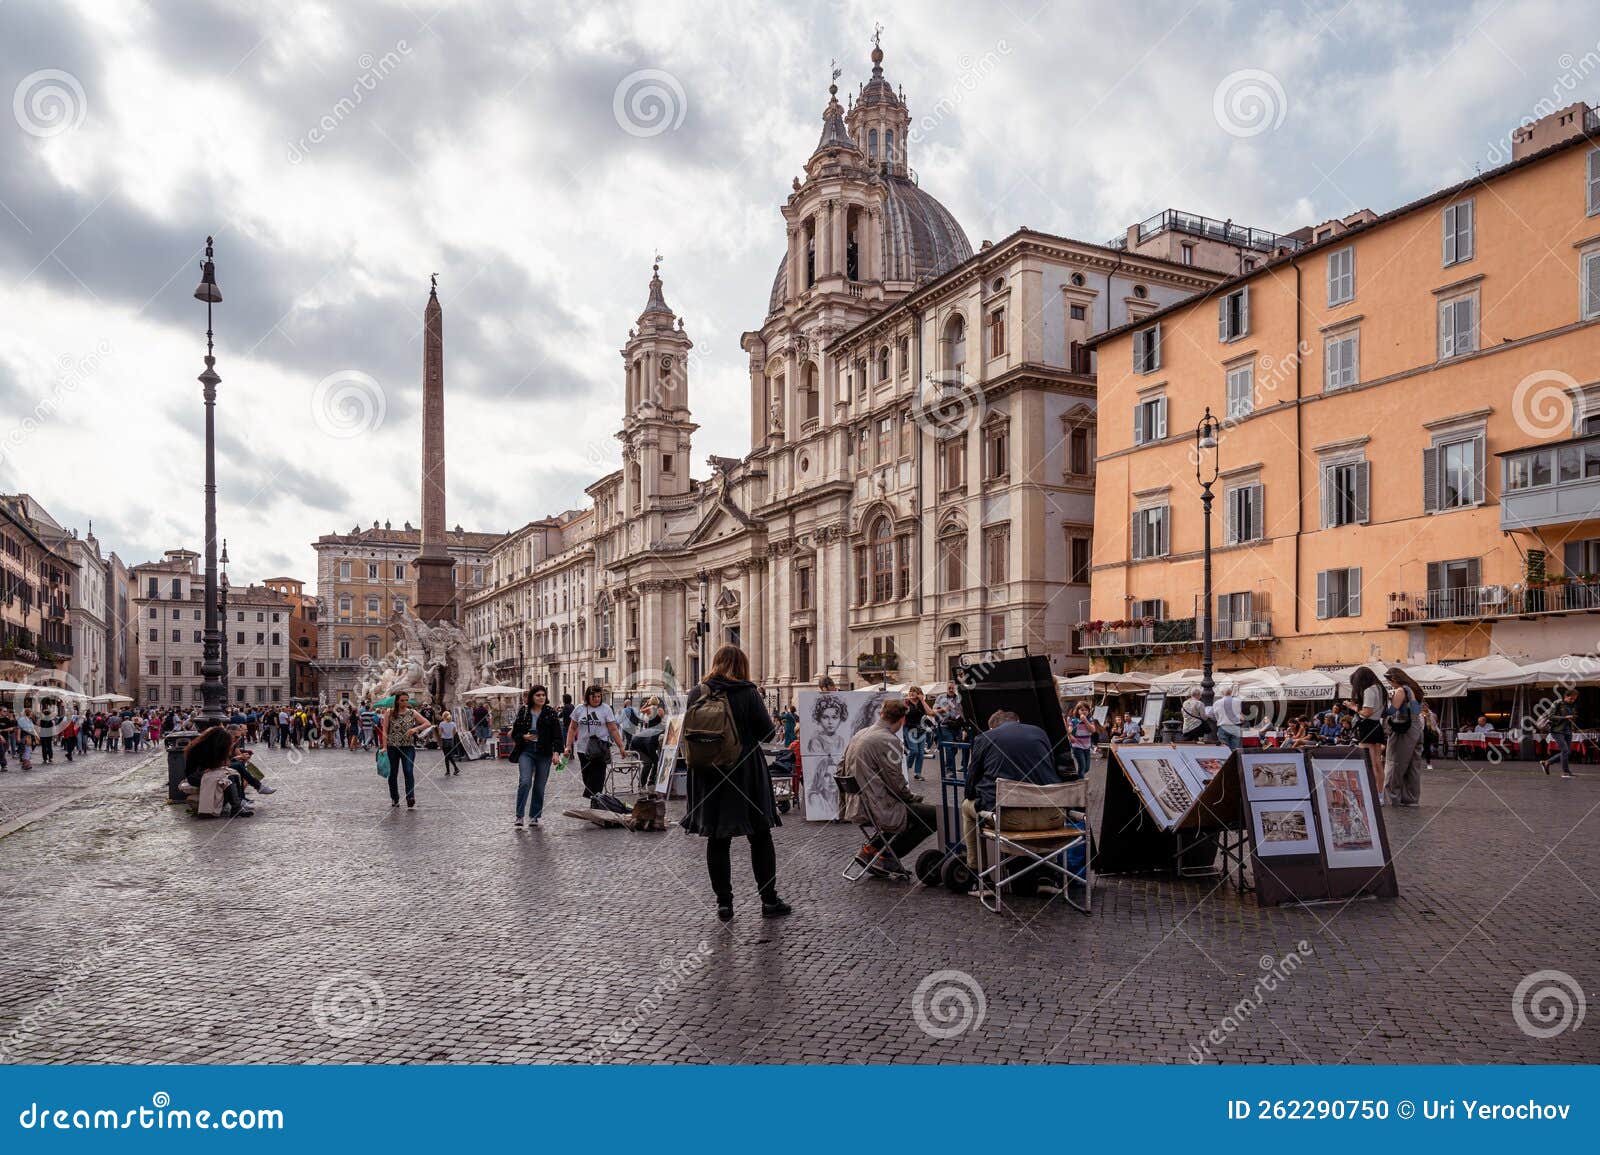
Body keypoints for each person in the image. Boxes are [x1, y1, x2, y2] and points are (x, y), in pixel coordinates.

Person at [682, 645, 789, 922]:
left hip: (708, 775)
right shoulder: (747, 692)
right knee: (760, 835)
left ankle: (724, 904)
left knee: (718, 839)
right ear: (741, 666)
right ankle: (768, 900)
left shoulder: (697, 692)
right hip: (744, 772)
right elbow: (767, 732)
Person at [842, 698, 936, 873]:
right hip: (877, 806)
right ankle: (886, 857)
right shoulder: (887, 740)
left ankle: (870, 850)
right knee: (935, 815)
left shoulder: (860, 734)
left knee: (916, 812)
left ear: (881, 714)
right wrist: (912, 798)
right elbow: (897, 785)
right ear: (902, 720)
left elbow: (841, 767)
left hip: (858, 802)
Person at [961, 710, 1062, 871]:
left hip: (1009, 820)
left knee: (967, 806)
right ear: (1018, 721)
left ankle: (977, 874)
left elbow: (970, 788)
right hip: (1052, 818)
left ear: (992, 728)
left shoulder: (984, 738)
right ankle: (1048, 876)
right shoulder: (1040, 733)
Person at [564, 685, 626, 807]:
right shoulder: (579, 709)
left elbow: (613, 729)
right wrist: (568, 746)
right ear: (587, 697)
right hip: (583, 749)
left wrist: (621, 746)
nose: (597, 699)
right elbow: (572, 728)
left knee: (597, 776)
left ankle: (596, 802)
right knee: (586, 777)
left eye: (599, 696)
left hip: (600, 749)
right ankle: (595, 797)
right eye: (594, 696)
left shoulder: (606, 709)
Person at [511, 686, 564, 826]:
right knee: (525, 781)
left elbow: (557, 735)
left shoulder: (550, 713)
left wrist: (557, 753)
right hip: (526, 751)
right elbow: (514, 733)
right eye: (538, 695)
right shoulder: (524, 711)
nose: (541, 697)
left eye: (543, 695)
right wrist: (523, 736)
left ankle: (534, 815)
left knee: (540, 786)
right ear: (532, 697)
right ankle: (519, 816)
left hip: (544, 752)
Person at [184, 726, 251, 818]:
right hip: (196, 775)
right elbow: (211, 767)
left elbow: (219, 765)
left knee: (233, 775)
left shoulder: (211, 747)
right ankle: (236, 808)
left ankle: (237, 807)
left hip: (209, 772)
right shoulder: (200, 748)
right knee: (228, 777)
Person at [379, 690, 432, 809]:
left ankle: (410, 797)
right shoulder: (389, 713)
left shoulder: (412, 712)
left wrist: (415, 729)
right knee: (393, 773)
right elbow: (385, 730)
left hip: (408, 746)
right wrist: (384, 747)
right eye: (402, 700)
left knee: (408, 771)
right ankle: (395, 797)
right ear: (397, 701)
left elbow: (427, 723)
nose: (405, 702)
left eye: (406, 700)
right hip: (393, 747)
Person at [1382, 667, 1425, 807]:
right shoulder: (1415, 689)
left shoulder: (1401, 690)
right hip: (1416, 728)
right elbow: (1417, 710)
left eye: (1390, 682)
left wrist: (1385, 705)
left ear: (1394, 679)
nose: (1390, 685)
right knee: (1413, 766)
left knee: (1395, 763)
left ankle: (1392, 798)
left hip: (1403, 730)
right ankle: (1411, 799)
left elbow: (1392, 710)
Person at [1347, 667, 1388, 790]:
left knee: (1369, 763)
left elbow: (1367, 712)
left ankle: (1372, 792)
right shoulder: (1380, 689)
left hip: (1367, 726)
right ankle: (1380, 793)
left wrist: (1352, 706)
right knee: (1377, 762)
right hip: (1376, 725)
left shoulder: (1369, 690)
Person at [1538, 689, 1579, 778]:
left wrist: (1573, 717)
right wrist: (1565, 717)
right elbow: (1551, 716)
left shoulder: (1572, 705)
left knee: (1567, 752)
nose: (1572, 700)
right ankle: (1566, 772)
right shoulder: (1558, 703)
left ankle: (1547, 762)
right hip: (1557, 730)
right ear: (1565, 696)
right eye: (1571, 698)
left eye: (1574, 699)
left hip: (1568, 730)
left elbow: (1572, 715)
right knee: (1565, 750)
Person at [902, 685, 931, 781]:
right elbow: (904, 712)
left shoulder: (921, 703)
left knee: (921, 753)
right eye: (910, 691)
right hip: (909, 729)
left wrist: (922, 701)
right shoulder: (906, 702)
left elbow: (930, 712)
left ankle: (917, 773)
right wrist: (907, 702)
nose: (912, 693)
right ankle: (905, 769)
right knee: (914, 750)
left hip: (921, 730)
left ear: (919, 694)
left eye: (914, 691)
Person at [1067, 702, 1097, 777]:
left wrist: (1085, 720)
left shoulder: (1090, 719)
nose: (1084, 711)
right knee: (1082, 766)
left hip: (1087, 747)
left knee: (1087, 768)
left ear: (1088, 711)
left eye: (1086, 710)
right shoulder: (1073, 720)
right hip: (1077, 746)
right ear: (1077, 711)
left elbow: (1093, 730)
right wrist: (1070, 736)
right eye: (1082, 710)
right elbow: (1069, 730)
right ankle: (1080, 782)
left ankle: (1077, 777)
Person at [1209, 686, 1243, 750]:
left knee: (1224, 749)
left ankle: (1226, 759)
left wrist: (1218, 719)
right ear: (1231, 692)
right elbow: (1239, 712)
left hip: (1223, 726)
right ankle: (1236, 759)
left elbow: (1212, 714)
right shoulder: (1238, 701)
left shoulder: (1217, 703)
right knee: (1236, 749)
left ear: (1222, 693)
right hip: (1235, 726)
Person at [438, 711, 461, 775]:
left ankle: (450, 770)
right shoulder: (453, 724)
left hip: (444, 740)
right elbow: (454, 732)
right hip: (451, 740)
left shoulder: (441, 724)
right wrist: (450, 736)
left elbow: (440, 734)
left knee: (447, 756)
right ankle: (455, 769)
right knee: (449, 756)